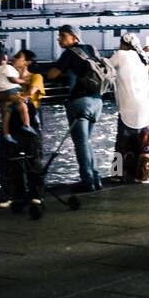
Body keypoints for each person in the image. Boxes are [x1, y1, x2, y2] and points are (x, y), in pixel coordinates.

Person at [44, 25, 104, 193]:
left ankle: (87, 180)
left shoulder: (70, 53)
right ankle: (95, 177)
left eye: (63, 36)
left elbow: (52, 75)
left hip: (79, 102)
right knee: (87, 141)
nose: (59, 39)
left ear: (74, 38)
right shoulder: (91, 49)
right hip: (97, 101)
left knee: (81, 143)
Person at [108, 34, 149, 183]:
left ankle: (117, 176)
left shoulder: (120, 55)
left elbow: (105, 68)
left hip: (130, 106)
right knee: (147, 145)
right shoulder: (142, 56)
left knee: (121, 144)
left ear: (122, 44)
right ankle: (144, 177)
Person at [7, 49, 46, 205]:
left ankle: (36, 194)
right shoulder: (11, 79)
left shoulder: (36, 77)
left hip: (32, 119)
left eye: (18, 57)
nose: (13, 58)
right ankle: (18, 194)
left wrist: (17, 97)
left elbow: (31, 92)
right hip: (14, 119)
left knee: (34, 156)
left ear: (27, 62)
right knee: (15, 158)